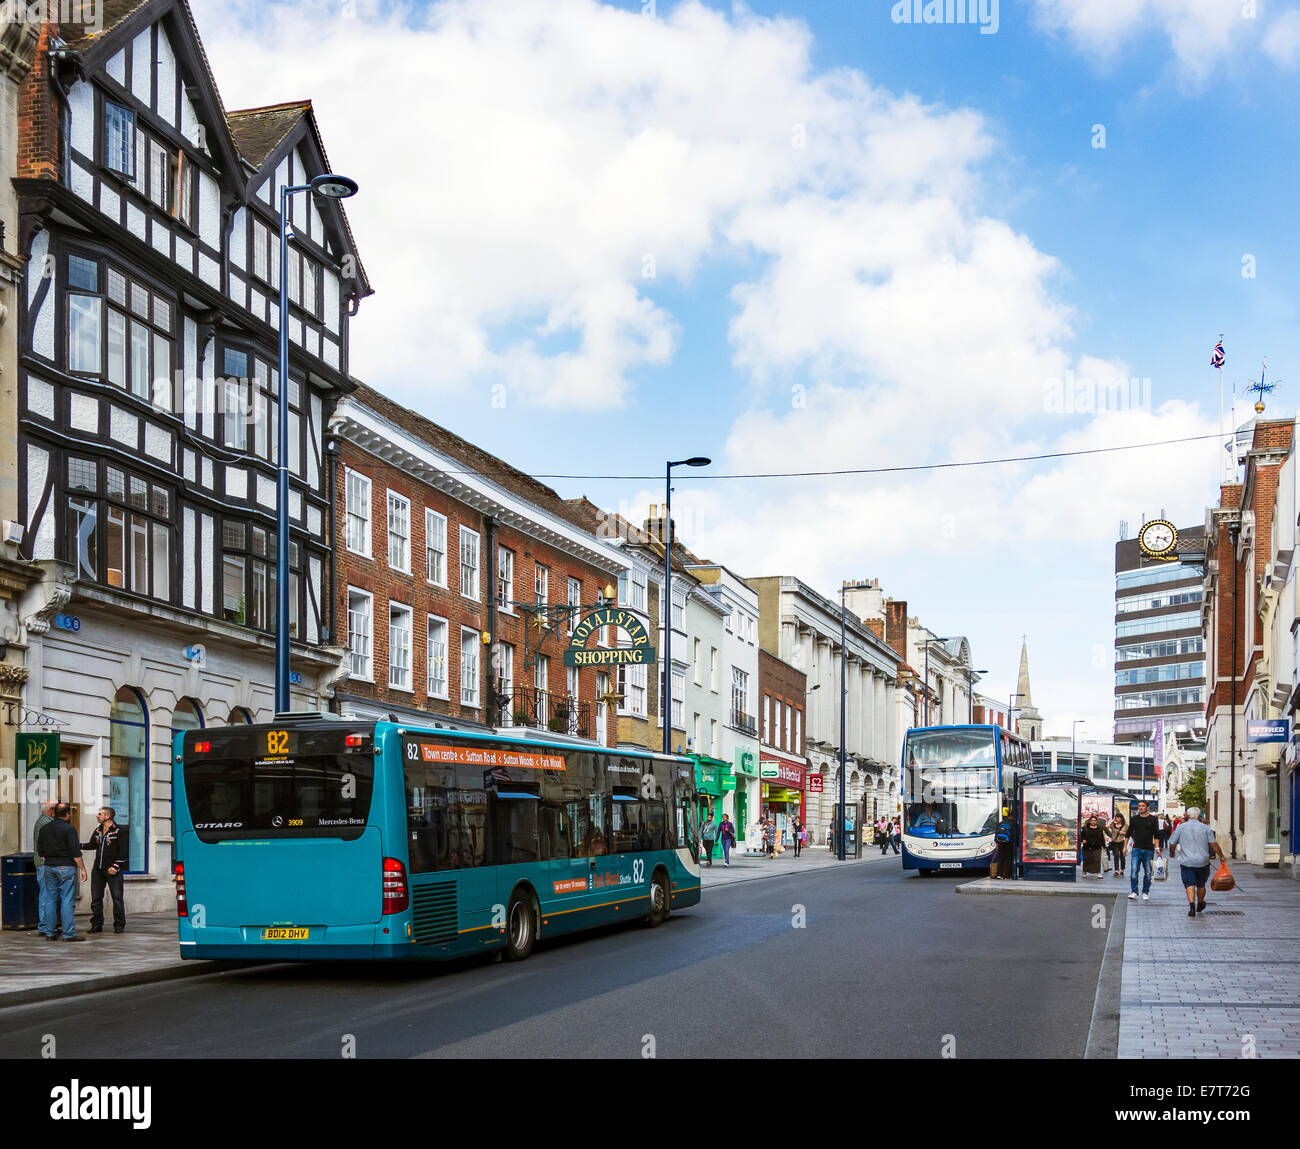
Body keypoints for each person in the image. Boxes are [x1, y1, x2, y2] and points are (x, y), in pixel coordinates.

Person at [36, 803, 87, 941]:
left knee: (51, 900)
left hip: (49, 867)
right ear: (67, 814)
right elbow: (75, 852)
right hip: (65, 866)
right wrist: (82, 869)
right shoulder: (69, 829)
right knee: (67, 900)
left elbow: (40, 849)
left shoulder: (45, 828)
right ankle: (68, 934)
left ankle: (50, 932)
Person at [1167, 805, 1226, 917]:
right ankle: (1200, 902)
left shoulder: (1181, 827)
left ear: (1188, 815)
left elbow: (1172, 843)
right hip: (1203, 861)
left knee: (1189, 884)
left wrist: (1171, 852)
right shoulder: (1206, 828)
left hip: (1187, 861)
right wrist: (1221, 856)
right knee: (1201, 884)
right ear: (1199, 816)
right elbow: (1213, 844)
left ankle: (1191, 906)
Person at [82, 806, 128, 933]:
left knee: (117, 898)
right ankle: (96, 924)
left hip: (113, 870)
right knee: (96, 898)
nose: (97, 816)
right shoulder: (98, 830)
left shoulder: (119, 831)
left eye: (100, 814)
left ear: (107, 816)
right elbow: (92, 844)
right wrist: (77, 845)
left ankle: (119, 925)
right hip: (98, 869)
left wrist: (115, 866)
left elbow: (124, 852)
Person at [31, 800, 60, 939]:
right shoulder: (46, 823)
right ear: (52, 810)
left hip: (46, 863)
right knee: (46, 895)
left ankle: (48, 924)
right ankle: (44, 926)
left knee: (48, 894)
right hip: (45, 864)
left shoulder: (44, 821)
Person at [1126, 800, 1161, 902]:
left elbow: (1157, 835)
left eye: (1143, 806)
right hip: (1136, 848)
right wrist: (1124, 847)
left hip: (1148, 849)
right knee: (1134, 870)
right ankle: (1134, 891)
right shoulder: (1134, 819)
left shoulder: (1153, 819)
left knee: (1148, 872)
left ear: (1147, 807)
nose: (1140, 808)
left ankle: (1145, 892)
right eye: (1139, 806)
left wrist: (1157, 848)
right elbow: (1128, 833)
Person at [993, 808, 1014, 879]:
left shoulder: (1001, 823)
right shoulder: (1013, 824)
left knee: (1001, 859)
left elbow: (996, 833)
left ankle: (999, 874)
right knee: (1009, 859)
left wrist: (997, 842)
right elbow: (1016, 835)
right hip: (1010, 844)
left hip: (1001, 843)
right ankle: (1007, 875)